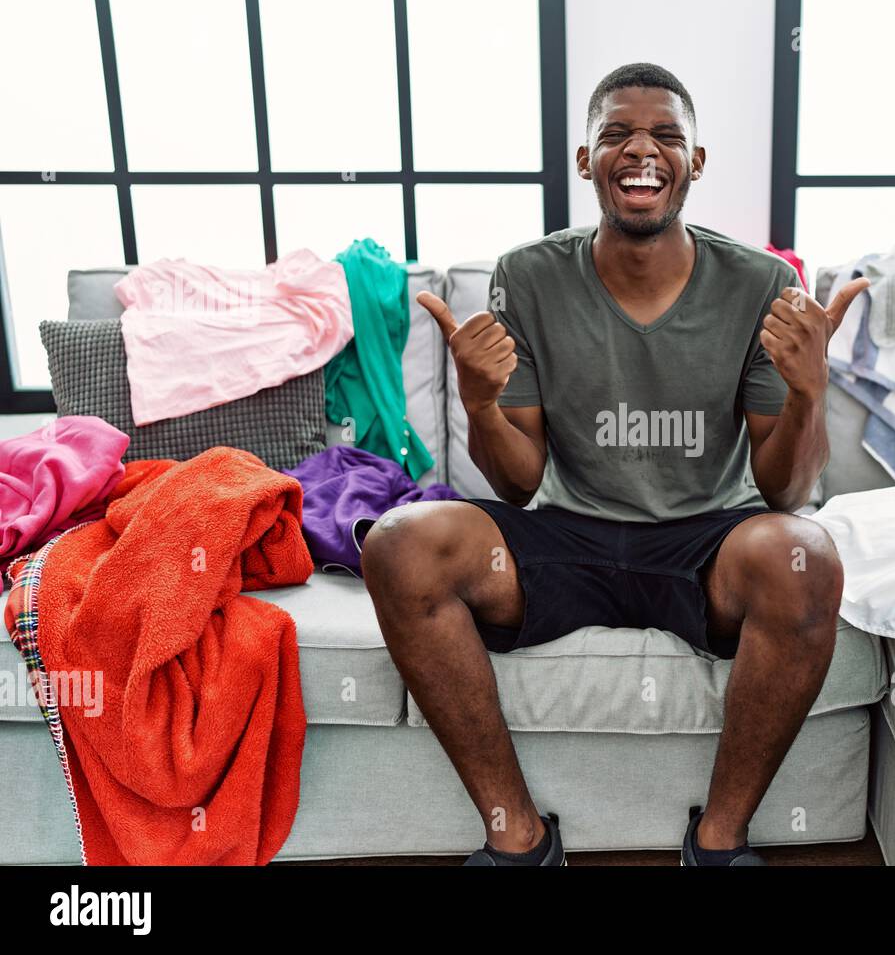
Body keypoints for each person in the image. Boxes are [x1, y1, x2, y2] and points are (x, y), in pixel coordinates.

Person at [361, 62, 869, 866]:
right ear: (584, 160)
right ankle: (518, 841)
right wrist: (480, 402)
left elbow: (784, 490)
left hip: (710, 543)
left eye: (667, 136)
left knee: (804, 558)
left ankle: (718, 843)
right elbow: (519, 482)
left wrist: (808, 395)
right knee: (398, 540)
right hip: (569, 536)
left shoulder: (764, 283)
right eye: (617, 135)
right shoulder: (526, 275)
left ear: (695, 163)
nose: (642, 152)